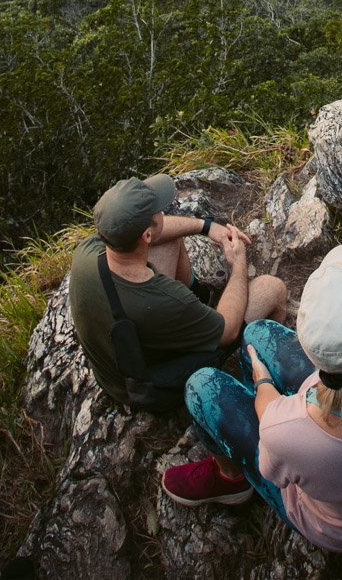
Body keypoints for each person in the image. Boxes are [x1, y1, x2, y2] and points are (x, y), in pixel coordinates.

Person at [161, 91, 342, 549]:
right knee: (257, 332)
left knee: (202, 387)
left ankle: (231, 479)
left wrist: (263, 383)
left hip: (334, 528)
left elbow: (270, 423)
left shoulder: (291, 432)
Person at [69, 172, 287, 410]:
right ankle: (269, 369)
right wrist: (238, 262)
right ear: (146, 235)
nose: (163, 212)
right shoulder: (164, 299)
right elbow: (228, 330)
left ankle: (200, 302)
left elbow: (159, 232)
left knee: (173, 238)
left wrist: (205, 226)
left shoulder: (87, 252)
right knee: (272, 288)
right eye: (158, 211)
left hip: (118, 368)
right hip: (150, 387)